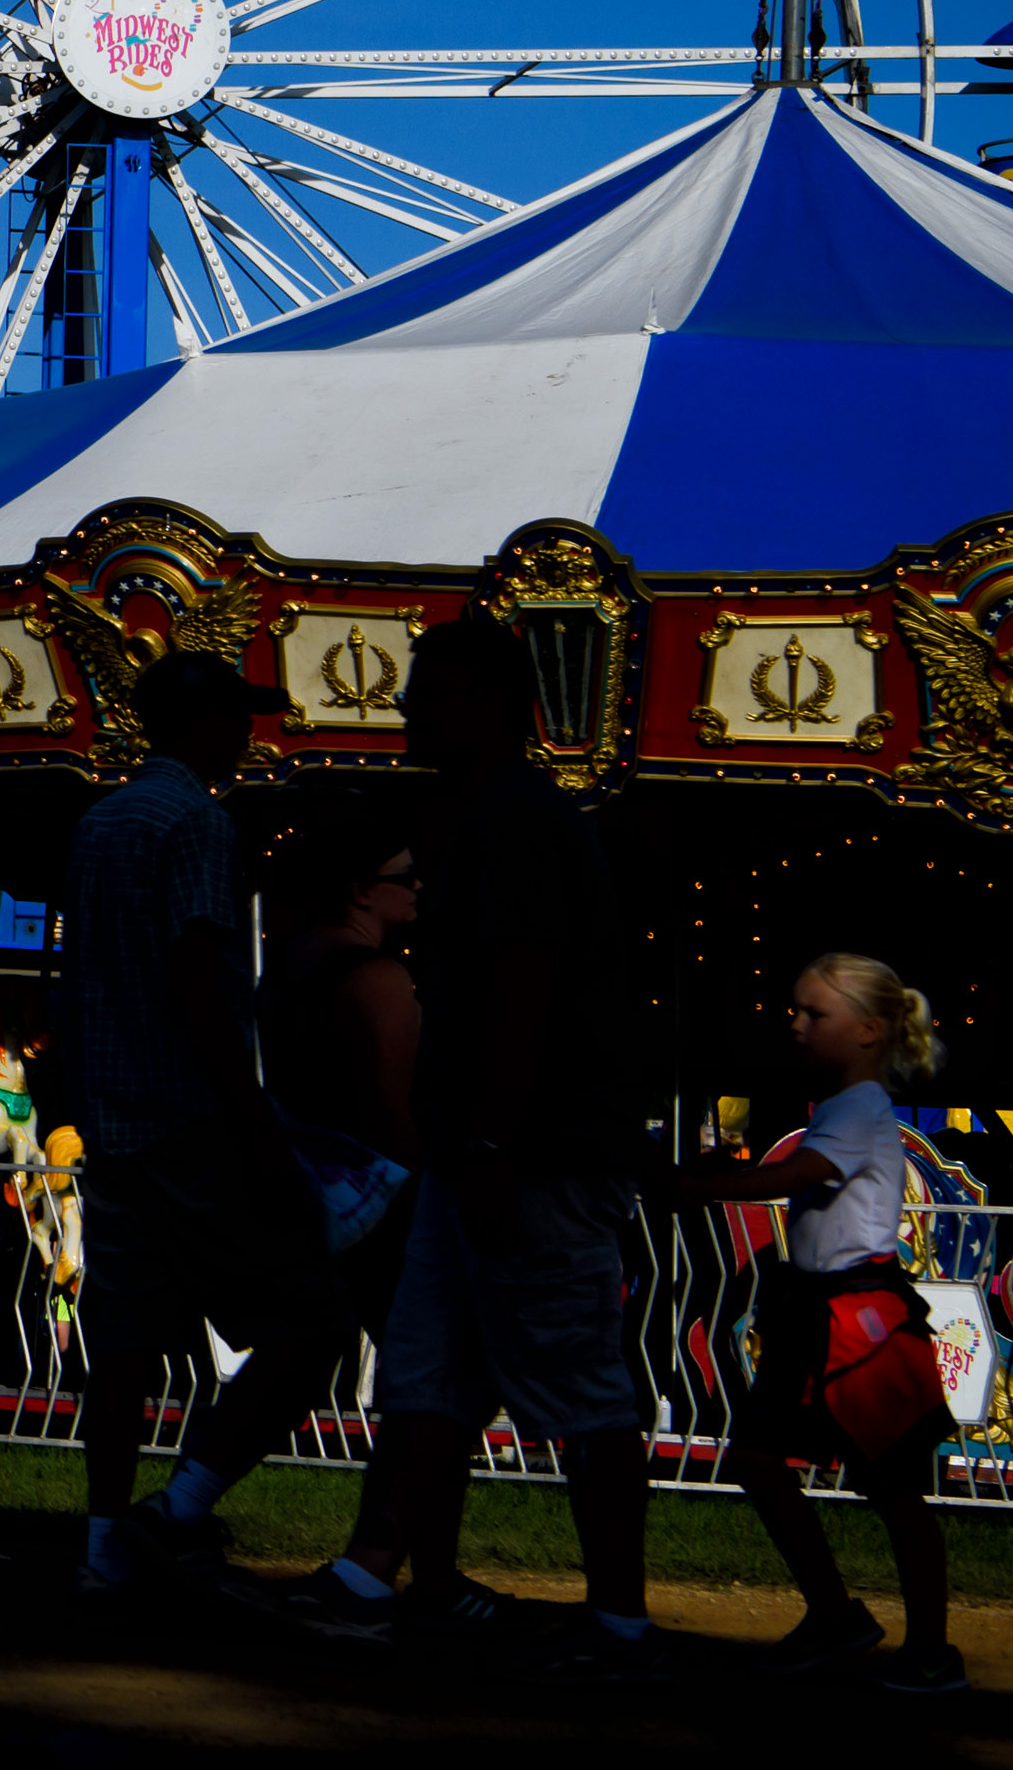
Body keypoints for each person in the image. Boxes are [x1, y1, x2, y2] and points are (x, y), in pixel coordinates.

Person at [377, 612, 660, 1675]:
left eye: (430, 692)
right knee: (430, 1371)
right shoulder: (496, 816)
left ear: (492, 705)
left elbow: (520, 986)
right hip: (490, 1151)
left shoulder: (514, 820)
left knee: (579, 1382)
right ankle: (416, 1577)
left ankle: (621, 1620)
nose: (410, 710)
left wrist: (492, 1138)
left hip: (529, 1155)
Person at [59, 650, 351, 1599]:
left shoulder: (101, 820)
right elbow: (194, 972)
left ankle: (104, 1541)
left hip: (111, 1116)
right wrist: (255, 1123)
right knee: (311, 1315)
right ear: (204, 724)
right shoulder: (200, 821)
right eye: (237, 717)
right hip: (187, 1112)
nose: (248, 733)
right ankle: (178, 1504)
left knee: (128, 1340)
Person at [677, 954, 963, 1692]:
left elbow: (795, 1177)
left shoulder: (857, 1107)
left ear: (868, 1030)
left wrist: (700, 1185)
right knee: (775, 1464)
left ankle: (920, 1646)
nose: (797, 1025)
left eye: (814, 1013)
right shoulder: (848, 1107)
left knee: (889, 1485)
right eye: (797, 1010)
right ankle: (848, 1620)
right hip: (826, 1312)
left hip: (854, 1319)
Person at [256, 798, 424, 1632]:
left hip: (309, 1188)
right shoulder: (378, 978)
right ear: (361, 890)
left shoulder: (283, 971)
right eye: (404, 878)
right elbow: (390, 1109)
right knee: (425, 1379)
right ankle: (379, 1564)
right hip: (382, 1194)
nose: (417, 889)